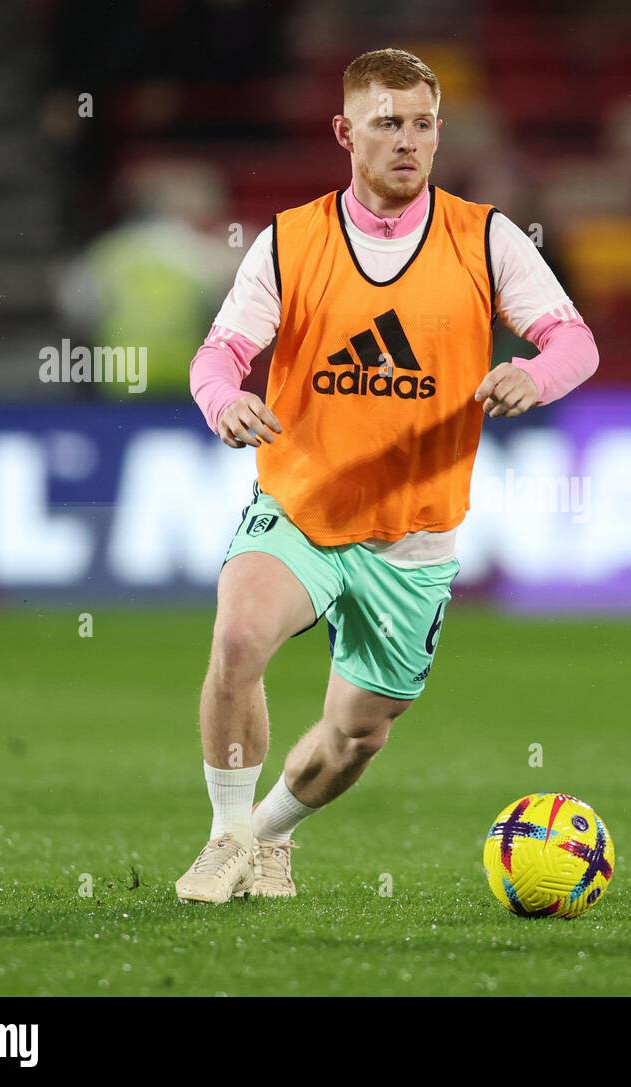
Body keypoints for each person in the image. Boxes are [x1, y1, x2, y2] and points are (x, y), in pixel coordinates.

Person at [176, 49, 599, 903]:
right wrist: (224, 401)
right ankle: (224, 838)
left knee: (357, 734)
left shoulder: (485, 238)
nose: (407, 141)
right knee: (237, 638)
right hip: (301, 503)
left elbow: (576, 343)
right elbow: (220, 352)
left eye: (422, 124)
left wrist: (534, 374)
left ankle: (269, 836)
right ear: (345, 132)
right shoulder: (292, 241)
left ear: (439, 132)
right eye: (387, 124)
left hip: (415, 534)